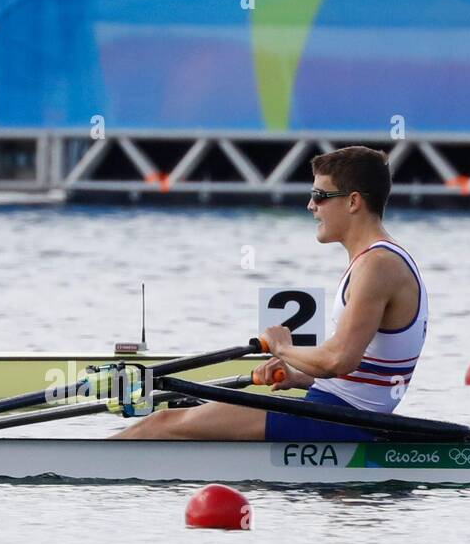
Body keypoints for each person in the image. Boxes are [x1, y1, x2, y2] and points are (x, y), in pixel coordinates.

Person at [113, 145, 426, 441]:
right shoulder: (381, 259)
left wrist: (283, 349)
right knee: (180, 414)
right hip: (337, 408)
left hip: (340, 418)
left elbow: (339, 360)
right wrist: (296, 374)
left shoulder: (378, 265)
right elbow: (360, 370)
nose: (311, 206)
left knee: (161, 424)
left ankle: (72, 472)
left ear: (353, 202)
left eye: (320, 195)